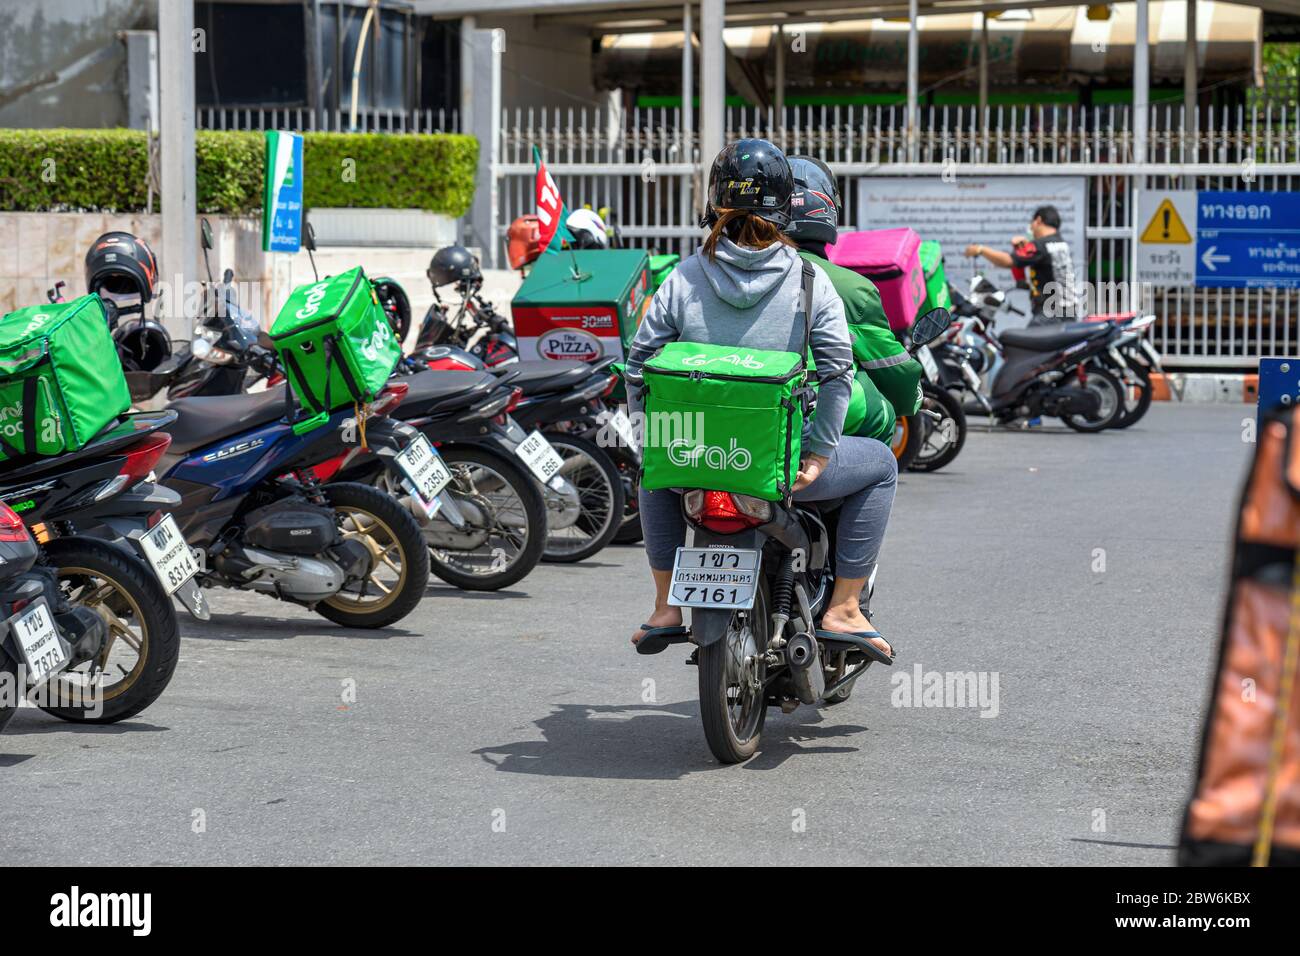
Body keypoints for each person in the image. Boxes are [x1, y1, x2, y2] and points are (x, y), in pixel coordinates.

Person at [625, 139, 899, 660]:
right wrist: (817, 456)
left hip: (698, 456)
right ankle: (843, 607)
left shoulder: (681, 278)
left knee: (655, 468)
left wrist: (651, 440)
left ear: (712, 205)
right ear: (785, 209)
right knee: (881, 464)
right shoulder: (810, 280)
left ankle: (664, 606)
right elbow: (838, 374)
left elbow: (639, 369)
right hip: (779, 463)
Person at [785, 155, 923, 447]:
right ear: (826, 209)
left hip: (725, 418)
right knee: (880, 415)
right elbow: (893, 371)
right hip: (802, 419)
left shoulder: (705, 273)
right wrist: (911, 397)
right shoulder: (850, 287)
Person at [964, 205, 1079, 326]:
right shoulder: (1060, 243)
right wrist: (1021, 249)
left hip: (1049, 314)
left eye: (1032, 224)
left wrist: (980, 249)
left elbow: (1008, 261)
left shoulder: (1040, 245)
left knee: (1020, 342)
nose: (1031, 229)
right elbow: (1021, 277)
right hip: (1067, 312)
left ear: (1038, 221)